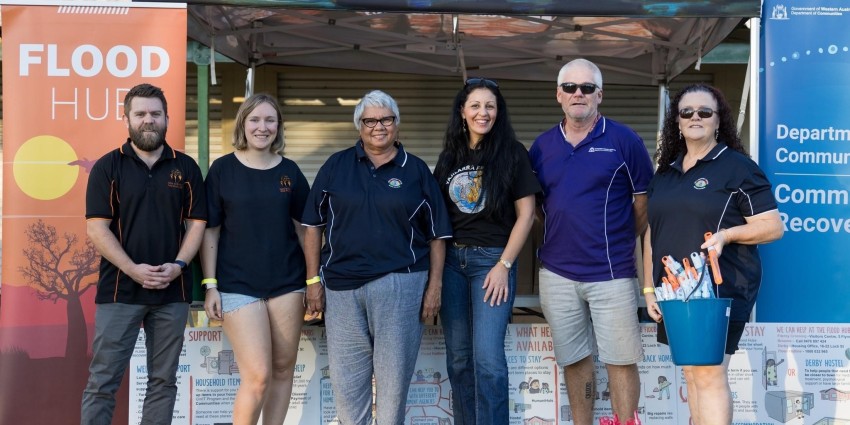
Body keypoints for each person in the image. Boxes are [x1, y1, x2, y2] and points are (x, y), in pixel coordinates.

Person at [301, 90, 452, 425]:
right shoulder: (335, 166)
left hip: (400, 284)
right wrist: (313, 280)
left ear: (396, 124)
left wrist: (434, 287)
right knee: (347, 384)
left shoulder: (416, 171)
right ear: (359, 126)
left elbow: (438, 236)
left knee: (393, 386)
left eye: (386, 119)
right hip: (341, 289)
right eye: (370, 120)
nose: (378, 127)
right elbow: (312, 226)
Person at [642, 83, 783, 425]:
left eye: (705, 112)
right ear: (676, 122)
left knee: (709, 373)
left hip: (721, 289)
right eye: (687, 112)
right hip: (674, 290)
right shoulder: (665, 173)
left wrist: (726, 235)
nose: (695, 118)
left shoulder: (738, 167)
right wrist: (649, 288)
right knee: (691, 374)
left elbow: (773, 226)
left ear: (718, 121)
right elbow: (651, 234)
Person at [528, 58, 653, 425]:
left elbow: (643, 203)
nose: (577, 94)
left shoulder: (624, 140)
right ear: (558, 95)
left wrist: (617, 237)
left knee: (620, 358)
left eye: (586, 88)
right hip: (557, 273)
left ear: (600, 94)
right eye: (570, 87)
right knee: (574, 358)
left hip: (611, 272)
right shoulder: (542, 146)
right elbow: (537, 206)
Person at [82, 83, 207, 425]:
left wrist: (180, 265)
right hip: (120, 290)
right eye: (140, 114)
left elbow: (197, 224)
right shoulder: (108, 167)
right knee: (102, 383)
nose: (148, 120)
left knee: (163, 382)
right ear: (127, 119)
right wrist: (133, 269)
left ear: (167, 118)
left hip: (172, 292)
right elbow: (97, 228)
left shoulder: (186, 167)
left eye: (155, 114)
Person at [432, 77, 539, 425]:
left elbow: (527, 215)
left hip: (491, 262)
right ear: (462, 111)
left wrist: (504, 265)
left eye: (490, 106)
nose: (483, 112)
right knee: (459, 359)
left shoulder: (512, 153)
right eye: (475, 105)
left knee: (488, 359)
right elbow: (436, 217)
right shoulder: (450, 155)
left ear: (498, 112)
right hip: (451, 263)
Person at [200, 93, 310, 425]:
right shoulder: (222, 170)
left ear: (278, 127)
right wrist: (210, 285)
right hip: (237, 285)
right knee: (259, 375)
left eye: (270, 121)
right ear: (243, 124)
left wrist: (313, 281)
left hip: (288, 284)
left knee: (281, 368)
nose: (262, 127)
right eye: (255, 120)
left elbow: (307, 231)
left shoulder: (289, 172)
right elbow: (210, 232)